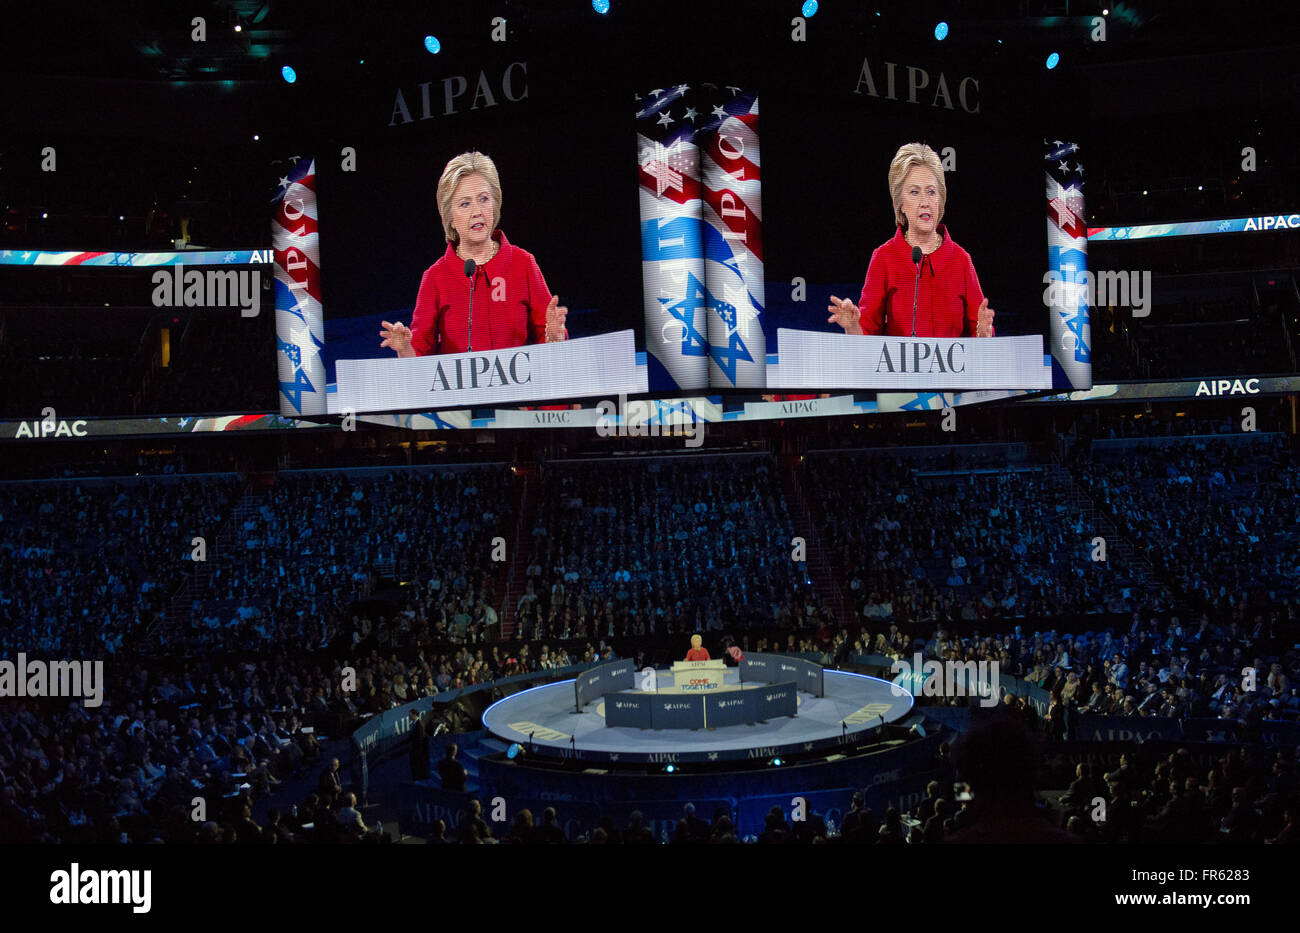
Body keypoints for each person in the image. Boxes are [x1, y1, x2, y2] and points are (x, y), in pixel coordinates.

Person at [380, 150, 569, 357]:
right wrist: (405, 349)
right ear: (451, 218)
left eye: (484, 199)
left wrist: (553, 336)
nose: (477, 211)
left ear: (494, 205)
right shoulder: (435, 277)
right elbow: (420, 355)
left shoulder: (523, 263)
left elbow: (548, 343)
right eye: (465, 203)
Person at [828, 142, 995, 339]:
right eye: (915, 192)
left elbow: (980, 336)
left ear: (940, 199)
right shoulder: (884, 257)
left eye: (931, 192)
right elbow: (867, 335)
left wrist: (984, 335)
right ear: (900, 203)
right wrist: (852, 326)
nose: (925, 202)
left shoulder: (961, 260)